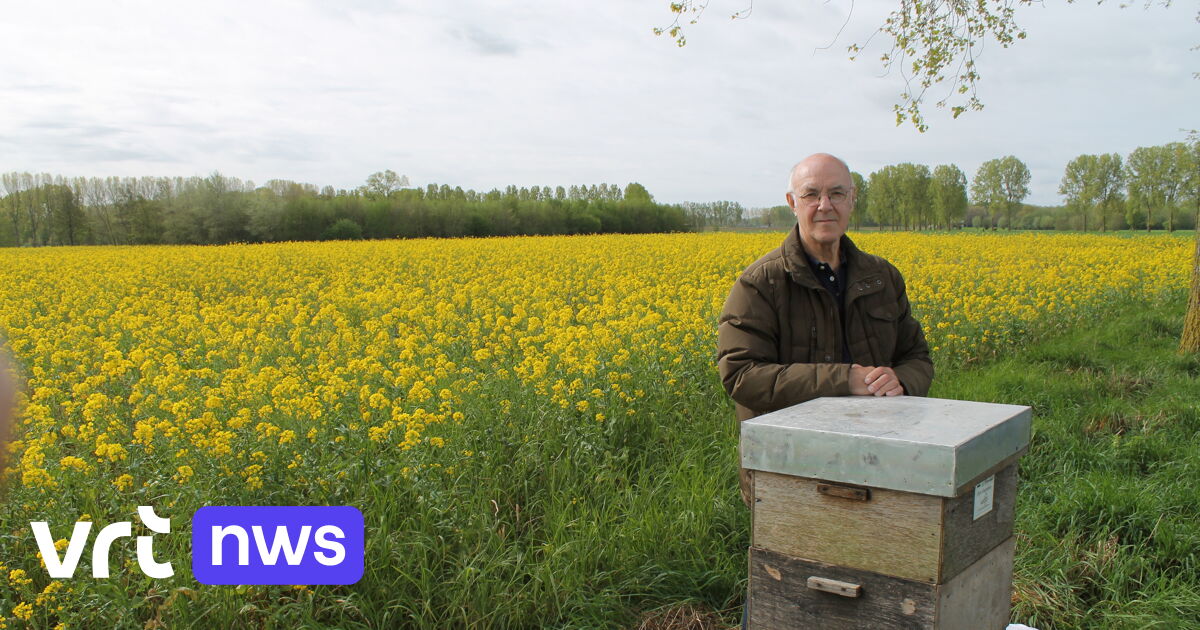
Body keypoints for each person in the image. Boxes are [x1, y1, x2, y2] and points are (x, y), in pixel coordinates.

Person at [717, 153, 935, 508]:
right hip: (789, 466)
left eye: (836, 193)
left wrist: (903, 380)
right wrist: (844, 380)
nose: (825, 206)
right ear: (792, 203)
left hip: (876, 460)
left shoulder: (883, 277)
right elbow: (741, 376)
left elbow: (917, 357)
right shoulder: (760, 283)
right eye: (811, 195)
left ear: (852, 199)